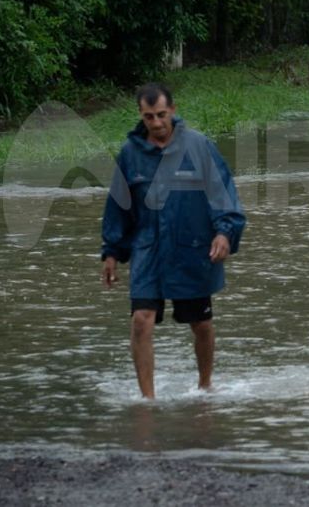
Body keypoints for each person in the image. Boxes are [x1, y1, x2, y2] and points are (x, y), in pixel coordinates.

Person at [101, 83, 247, 399]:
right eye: (149, 116)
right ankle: (147, 402)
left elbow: (224, 194)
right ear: (141, 115)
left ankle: (205, 386)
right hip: (148, 252)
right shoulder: (130, 154)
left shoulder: (198, 147)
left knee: (201, 326)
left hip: (192, 251)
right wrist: (111, 251)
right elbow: (118, 207)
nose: (156, 123)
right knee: (141, 321)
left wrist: (224, 232)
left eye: (162, 115)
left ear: (174, 111)